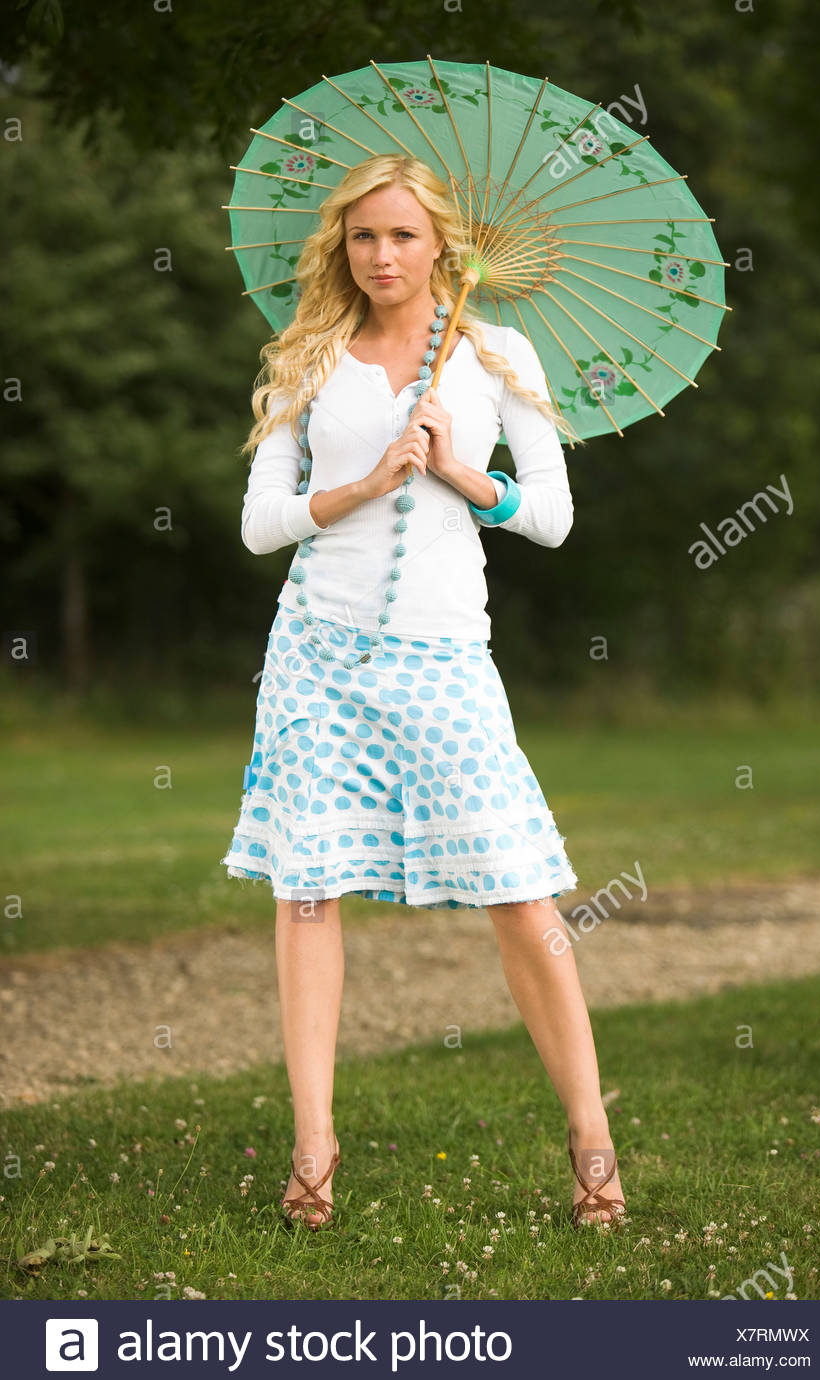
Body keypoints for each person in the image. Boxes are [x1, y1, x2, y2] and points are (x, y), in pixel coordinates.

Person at [221, 153, 626, 1231]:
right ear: (341, 247)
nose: (382, 255)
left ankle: (590, 1139)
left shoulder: (493, 354)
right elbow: (261, 522)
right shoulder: (307, 358)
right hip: (316, 651)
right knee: (306, 889)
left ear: (438, 242)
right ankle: (313, 1146)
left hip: (442, 652)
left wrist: (458, 473)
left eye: (401, 235)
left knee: (517, 891)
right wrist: (355, 486)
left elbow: (549, 513)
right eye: (362, 236)